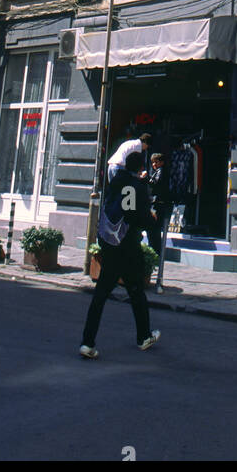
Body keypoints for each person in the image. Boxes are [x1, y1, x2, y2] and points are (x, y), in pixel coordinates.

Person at [80, 141, 160, 358]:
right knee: (136, 293)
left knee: (101, 295)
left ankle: (87, 342)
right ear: (139, 167)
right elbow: (134, 216)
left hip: (110, 246)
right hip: (127, 249)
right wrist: (152, 219)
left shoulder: (116, 182)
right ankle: (144, 337)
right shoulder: (134, 187)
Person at [146, 152, 170, 262]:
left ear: (162, 162)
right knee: (152, 229)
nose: (154, 164)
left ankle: (155, 252)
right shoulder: (157, 171)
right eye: (152, 162)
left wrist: (146, 178)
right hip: (155, 202)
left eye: (156, 162)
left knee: (154, 229)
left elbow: (156, 183)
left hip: (158, 204)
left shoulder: (161, 172)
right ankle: (154, 251)